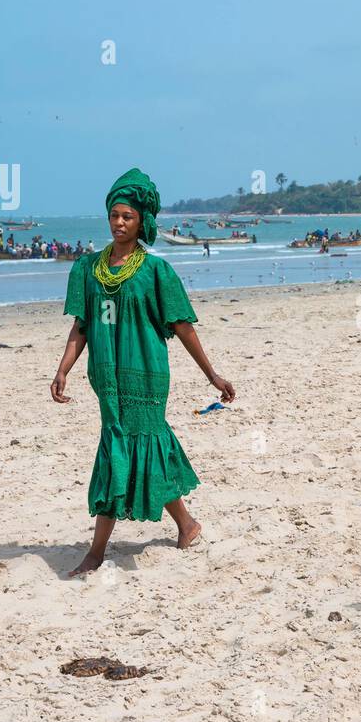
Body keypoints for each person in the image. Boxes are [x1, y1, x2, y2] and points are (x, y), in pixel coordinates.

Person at [52, 168, 235, 577]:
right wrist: (63, 369)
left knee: (128, 446)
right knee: (135, 445)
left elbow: (183, 327)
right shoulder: (88, 270)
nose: (119, 223)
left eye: (127, 217)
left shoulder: (156, 272)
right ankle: (187, 525)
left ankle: (97, 552)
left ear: (141, 221)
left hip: (147, 373)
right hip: (108, 377)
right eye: (114, 215)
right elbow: (83, 326)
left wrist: (213, 376)